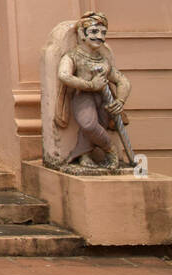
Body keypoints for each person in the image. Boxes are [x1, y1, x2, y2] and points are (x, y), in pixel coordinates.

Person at [55, 11, 131, 169]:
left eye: (103, 33)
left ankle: (85, 156)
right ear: (82, 34)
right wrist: (90, 85)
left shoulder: (103, 61)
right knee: (89, 124)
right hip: (83, 96)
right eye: (94, 32)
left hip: (103, 99)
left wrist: (120, 100)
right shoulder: (73, 56)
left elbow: (122, 81)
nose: (100, 37)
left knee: (95, 128)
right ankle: (110, 150)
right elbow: (63, 75)